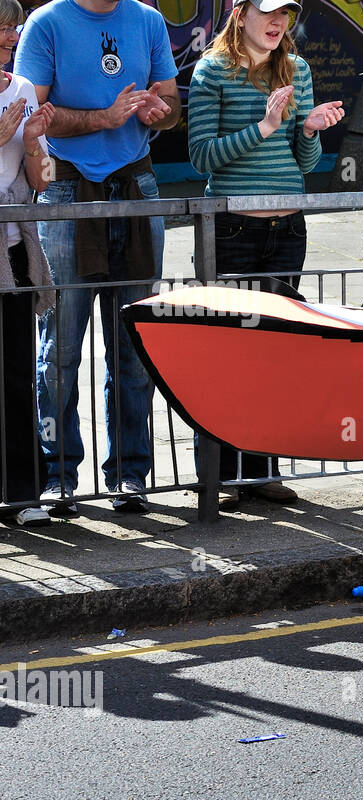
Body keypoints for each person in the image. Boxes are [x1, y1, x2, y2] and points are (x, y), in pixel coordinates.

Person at [16, 0, 179, 516]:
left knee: (133, 347)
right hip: (66, 191)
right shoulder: (46, 22)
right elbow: (32, 115)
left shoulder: (148, 19)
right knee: (59, 350)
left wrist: (160, 110)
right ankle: (57, 476)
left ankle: (130, 475)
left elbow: (171, 104)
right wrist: (102, 118)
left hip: (138, 185)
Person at [188, 0, 344, 507]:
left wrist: (308, 130)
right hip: (231, 230)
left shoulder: (296, 68)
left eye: (286, 15)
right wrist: (264, 126)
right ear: (241, 13)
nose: (278, 23)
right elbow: (201, 158)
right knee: (229, 351)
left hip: (286, 228)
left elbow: (305, 163)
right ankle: (224, 474)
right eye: (268, 13)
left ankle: (263, 470)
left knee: (275, 348)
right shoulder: (212, 68)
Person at [0, 0, 55, 527]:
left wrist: (36, 141)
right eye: (0, 29)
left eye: (13, 28)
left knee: (17, 373)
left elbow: (40, 182)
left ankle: (23, 493)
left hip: (13, 253)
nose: (10, 37)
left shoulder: (19, 89)